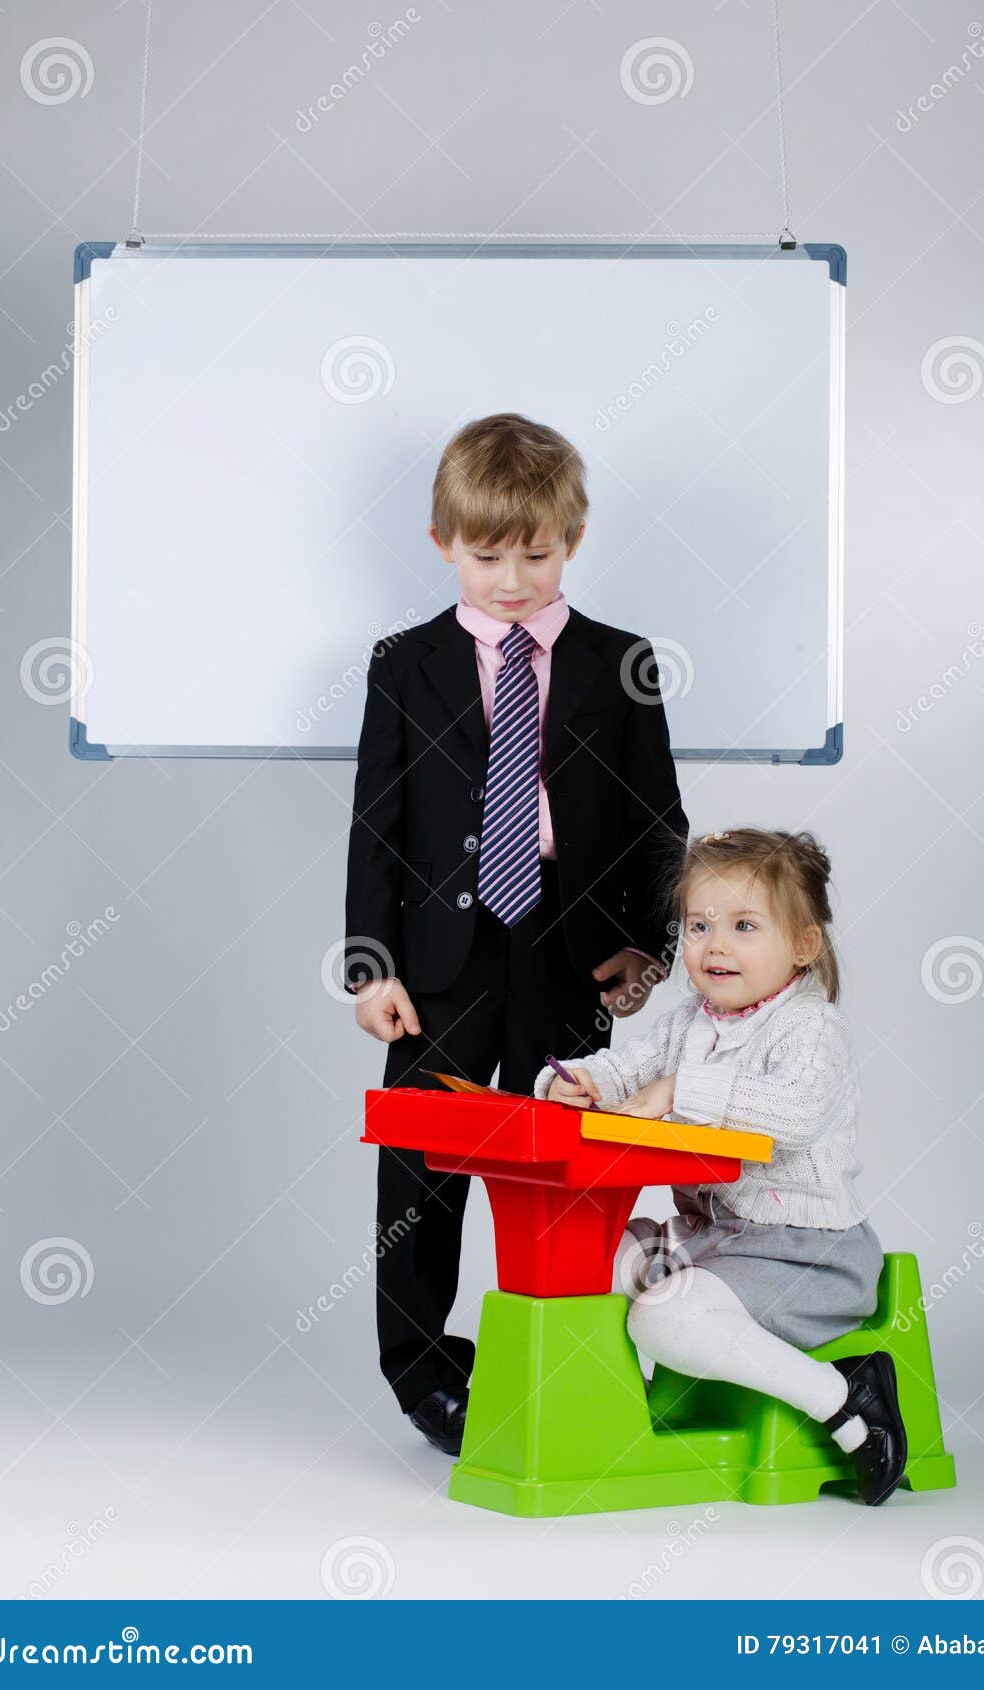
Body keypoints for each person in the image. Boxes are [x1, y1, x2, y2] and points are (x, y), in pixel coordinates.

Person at [344, 412, 689, 1454]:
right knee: (424, 1168)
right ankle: (425, 1374)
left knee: (567, 1167)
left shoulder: (620, 662)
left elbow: (656, 819)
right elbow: (377, 823)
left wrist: (648, 948)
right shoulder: (404, 664)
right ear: (446, 540)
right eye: (487, 555)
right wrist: (372, 967)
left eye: (534, 554)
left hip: (563, 944)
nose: (510, 578)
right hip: (438, 961)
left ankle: (569, 1352)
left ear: (570, 541)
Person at [536, 827, 908, 1505]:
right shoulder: (689, 1020)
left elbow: (790, 1116)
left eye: (743, 925)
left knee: (663, 1319)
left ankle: (845, 1397)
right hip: (711, 1242)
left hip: (804, 1256)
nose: (715, 945)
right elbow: (625, 1071)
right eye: (699, 925)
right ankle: (601, 1416)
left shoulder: (810, 1027)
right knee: (579, 1252)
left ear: (802, 945)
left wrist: (679, 1092)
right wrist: (576, 1082)